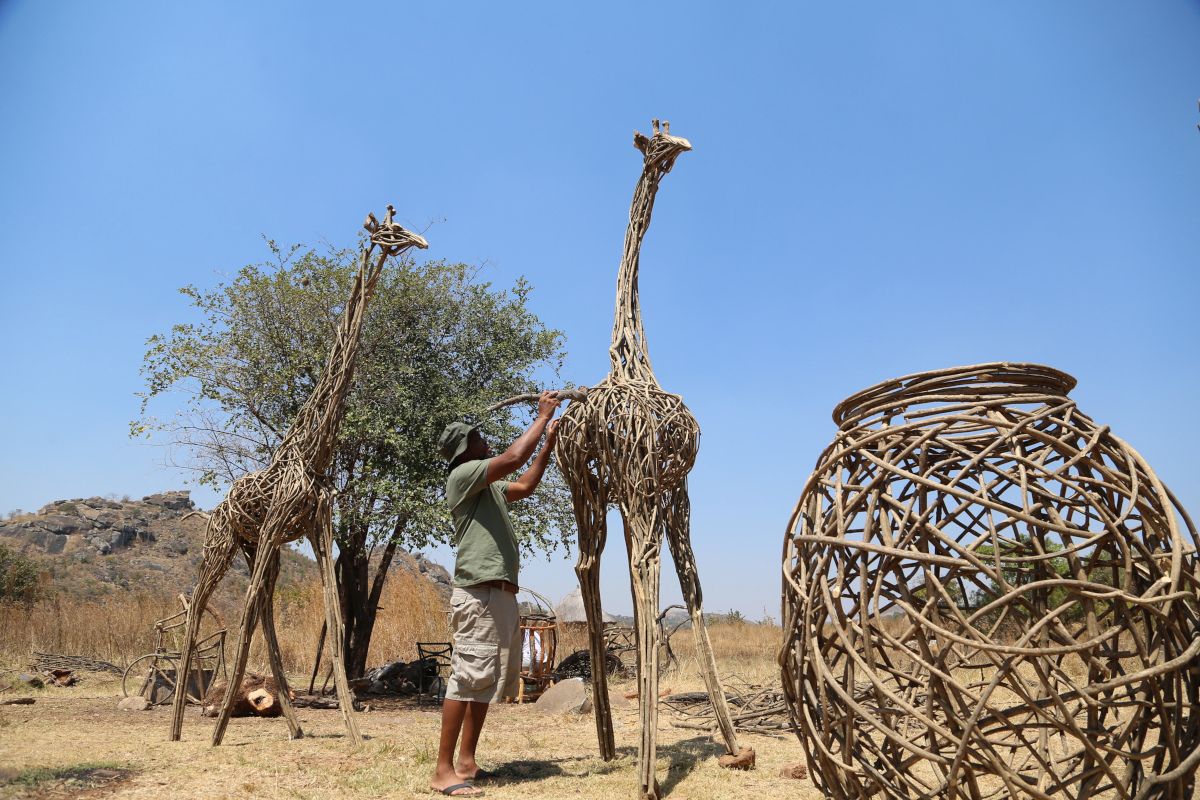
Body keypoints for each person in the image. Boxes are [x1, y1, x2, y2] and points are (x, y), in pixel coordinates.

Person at [430, 391, 561, 797]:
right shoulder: (463, 476)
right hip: (479, 594)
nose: (484, 440)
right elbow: (512, 459)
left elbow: (523, 484)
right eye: (478, 438)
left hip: (499, 594)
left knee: (484, 680)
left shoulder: (488, 489)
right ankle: (442, 771)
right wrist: (541, 418)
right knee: (467, 677)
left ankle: (467, 762)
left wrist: (548, 443)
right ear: (464, 450)